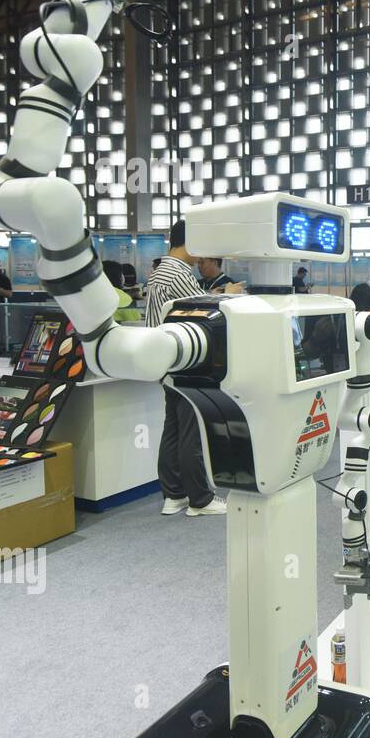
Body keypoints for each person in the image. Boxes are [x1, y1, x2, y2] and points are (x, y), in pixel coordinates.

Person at [148, 219, 241, 518]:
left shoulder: (159, 271)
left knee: (173, 429)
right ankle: (200, 499)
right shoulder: (177, 273)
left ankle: (173, 495)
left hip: (166, 359)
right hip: (187, 362)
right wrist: (228, 293)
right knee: (193, 430)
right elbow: (202, 308)